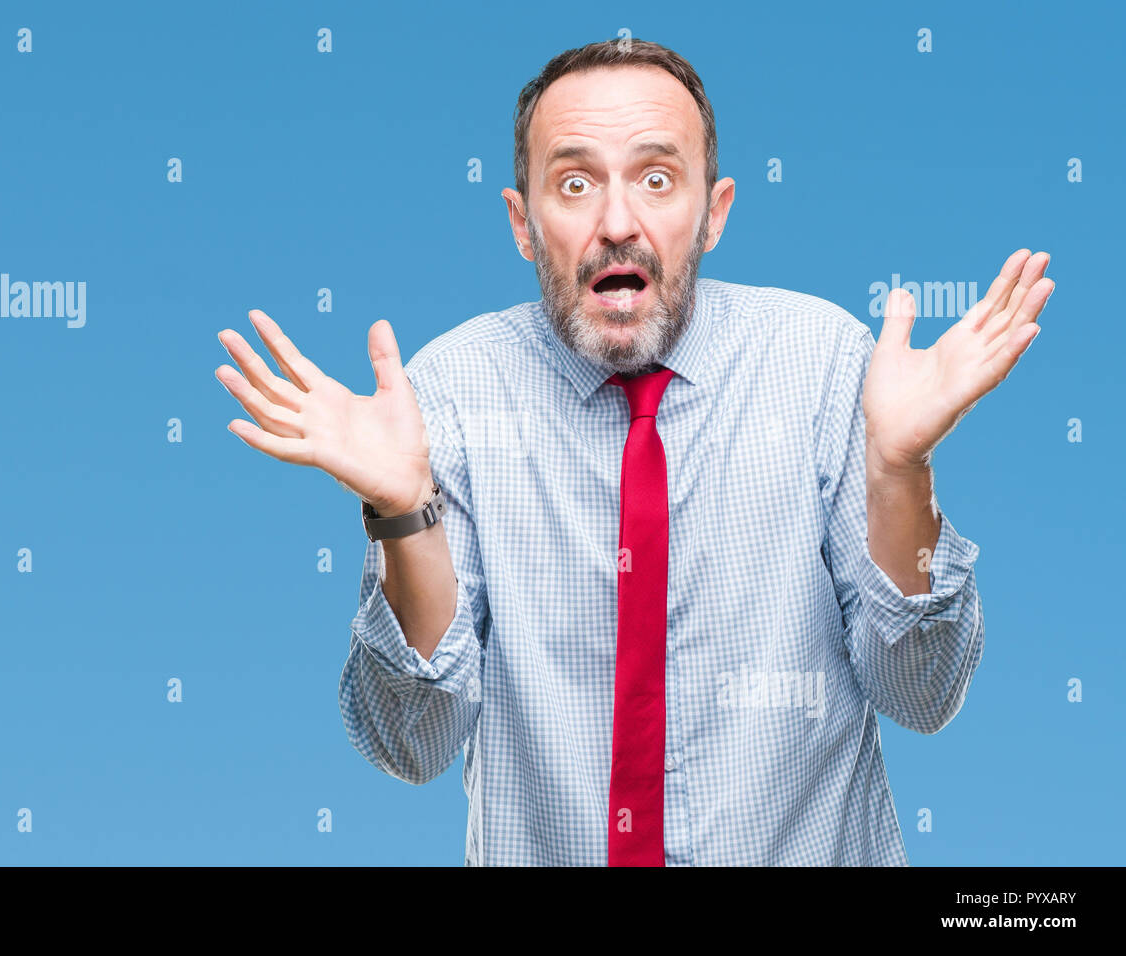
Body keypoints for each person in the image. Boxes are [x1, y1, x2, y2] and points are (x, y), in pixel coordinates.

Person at [214, 38, 1053, 866]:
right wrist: (404, 516)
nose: (618, 223)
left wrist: (900, 471)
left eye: (657, 179)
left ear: (715, 211)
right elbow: (414, 744)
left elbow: (922, 693)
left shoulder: (824, 363)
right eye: (574, 183)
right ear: (521, 223)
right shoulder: (451, 395)